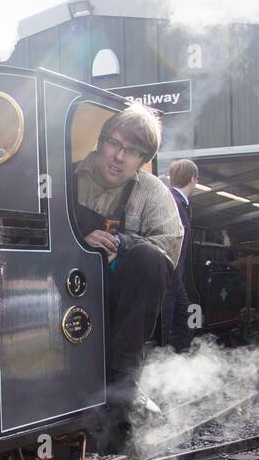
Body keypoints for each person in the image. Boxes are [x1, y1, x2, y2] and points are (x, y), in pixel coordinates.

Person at [73, 105, 184, 406]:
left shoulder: (154, 193)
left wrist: (120, 243)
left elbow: (168, 245)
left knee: (149, 258)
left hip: (120, 296)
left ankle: (124, 382)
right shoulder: (65, 178)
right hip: (67, 288)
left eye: (132, 151)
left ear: (143, 160)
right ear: (101, 141)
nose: (119, 157)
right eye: (114, 144)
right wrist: (78, 240)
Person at [160, 159, 197, 353]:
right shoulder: (174, 203)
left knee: (184, 325)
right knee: (164, 330)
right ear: (193, 179)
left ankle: (178, 371)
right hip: (169, 277)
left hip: (175, 279)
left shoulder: (180, 203)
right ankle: (156, 375)